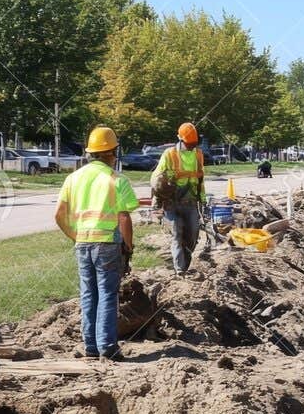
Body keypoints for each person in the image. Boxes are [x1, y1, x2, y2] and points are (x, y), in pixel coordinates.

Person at [55, 126, 140, 361]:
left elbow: (59, 215)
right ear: (113, 152)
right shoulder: (116, 180)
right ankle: (108, 347)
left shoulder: (73, 178)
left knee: (88, 294)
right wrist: (129, 246)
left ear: (92, 152)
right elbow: (124, 217)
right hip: (108, 245)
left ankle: (91, 347)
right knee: (107, 294)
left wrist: (75, 235)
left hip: (82, 243)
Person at [150, 122, 209, 274]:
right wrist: (159, 197)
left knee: (192, 236)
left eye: (194, 144)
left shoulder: (198, 154)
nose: (191, 147)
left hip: (190, 202)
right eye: (189, 144)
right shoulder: (169, 154)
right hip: (172, 202)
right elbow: (156, 179)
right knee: (177, 234)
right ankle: (179, 270)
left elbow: (200, 180)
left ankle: (185, 266)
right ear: (181, 140)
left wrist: (203, 201)